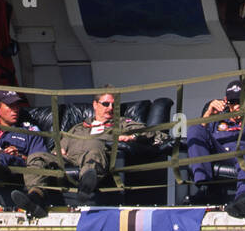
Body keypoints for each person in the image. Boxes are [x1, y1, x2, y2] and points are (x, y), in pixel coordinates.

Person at [10, 92, 158, 218]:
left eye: (114, 105)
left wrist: (132, 136)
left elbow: (149, 132)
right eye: (106, 104)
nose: (110, 108)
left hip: (94, 156)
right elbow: (61, 147)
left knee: (94, 147)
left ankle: (85, 186)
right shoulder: (78, 127)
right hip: (69, 158)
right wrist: (58, 151)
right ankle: (36, 197)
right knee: (37, 156)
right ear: (95, 105)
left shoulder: (121, 123)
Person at [185, 80, 245, 219]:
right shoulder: (217, 118)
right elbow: (199, 134)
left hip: (244, 154)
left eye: (241, 101)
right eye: (233, 102)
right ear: (226, 101)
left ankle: (242, 199)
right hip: (220, 152)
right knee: (195, 128)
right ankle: (204, 186)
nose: (236, 105)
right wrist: (209, 112)